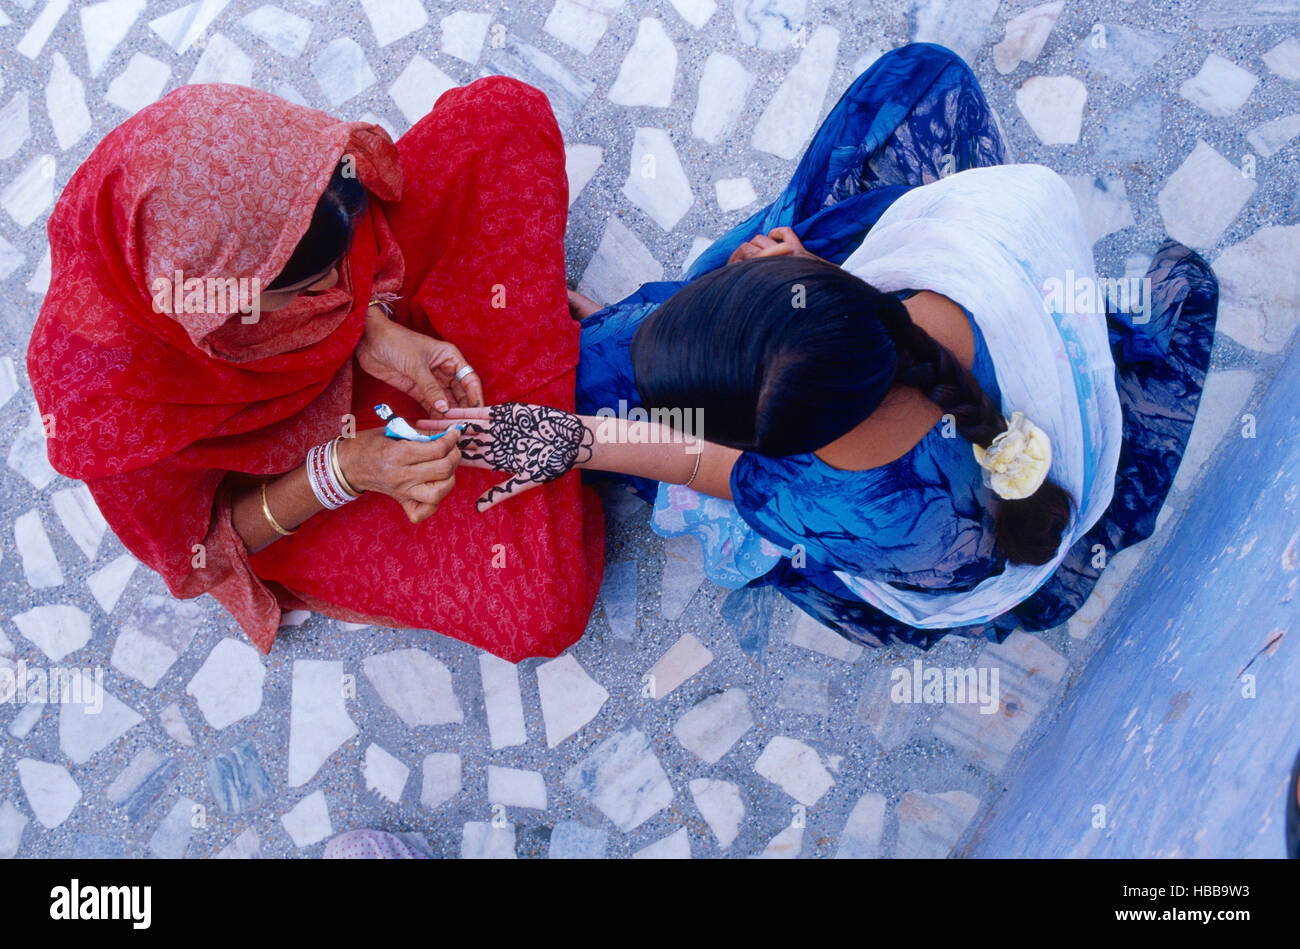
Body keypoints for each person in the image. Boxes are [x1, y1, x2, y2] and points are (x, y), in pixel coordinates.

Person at [428, 43, 1219, 651]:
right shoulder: (960, 275)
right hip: (877, 347)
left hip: (899, 491)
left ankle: (644, 349)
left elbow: (702, 465)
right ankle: (707, 322)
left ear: (771, 443)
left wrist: (577, 440)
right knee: (923, 76)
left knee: (595, 375)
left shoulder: (828, 501)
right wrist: (809, 273)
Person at [26, 78, 604, 663]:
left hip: (378, 338)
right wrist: (344, 470)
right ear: (216, 305)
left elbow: (350, 258)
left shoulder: (262, 159)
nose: (333, 289)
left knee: (502, 118)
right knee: (536, 608)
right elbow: (204, 552)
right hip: (310, 472)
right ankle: (547, 396)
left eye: (337, 261)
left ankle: (546, 436)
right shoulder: (105, 407)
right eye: (304, 289)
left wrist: (372, 322)